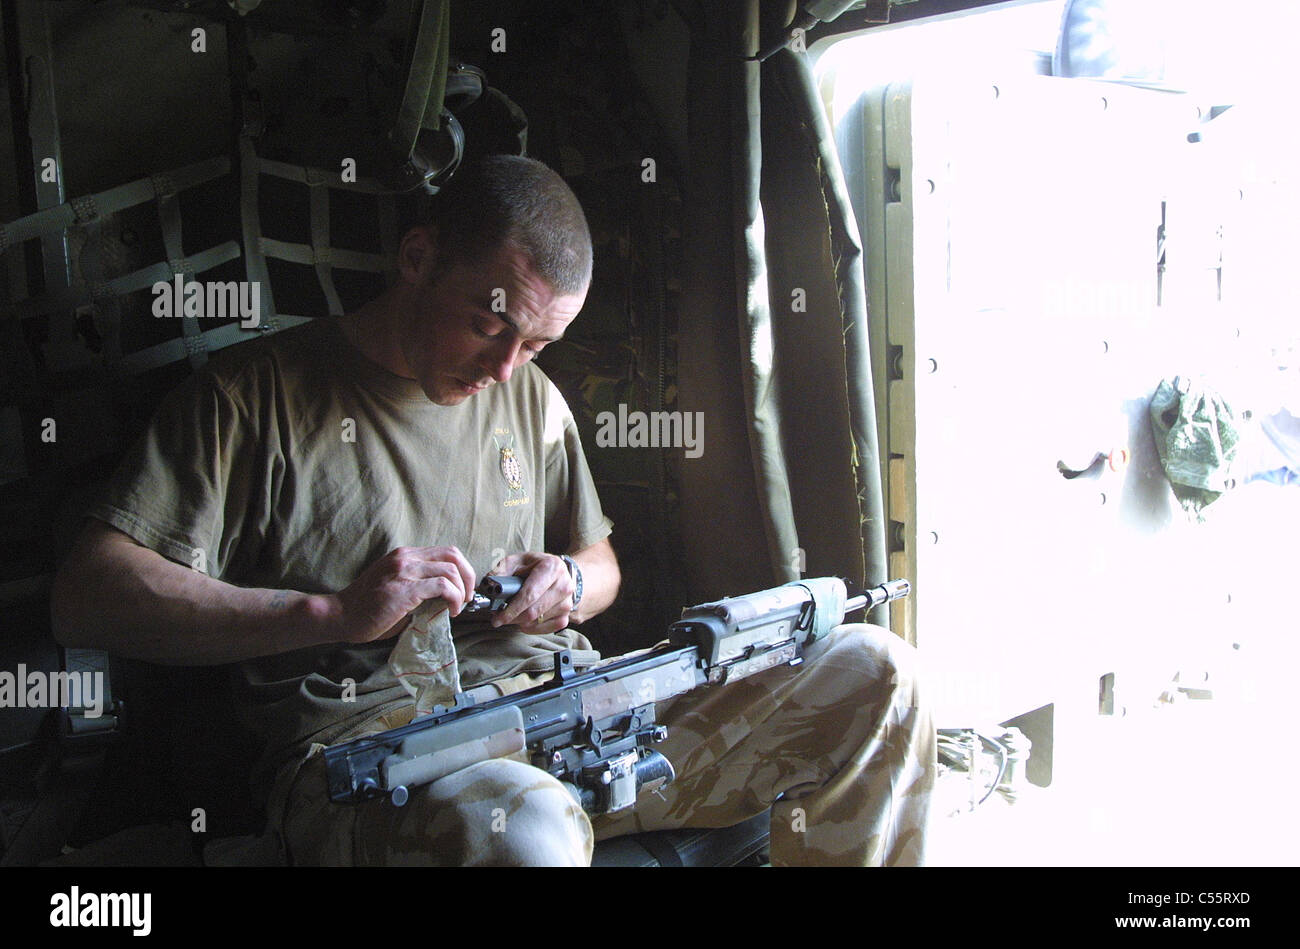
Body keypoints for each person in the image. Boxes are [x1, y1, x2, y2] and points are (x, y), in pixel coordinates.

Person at [51, 154, 933, 866]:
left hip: (579, 711)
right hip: (388, 757)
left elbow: (603, 568)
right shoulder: (252, 402)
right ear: (419, 258)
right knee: (526, 832)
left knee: (878, 675)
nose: (508, 367)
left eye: (541, 343)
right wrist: (332, 613)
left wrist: (566, 584)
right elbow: (89, 595)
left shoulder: (534, 400)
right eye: (491, 324)